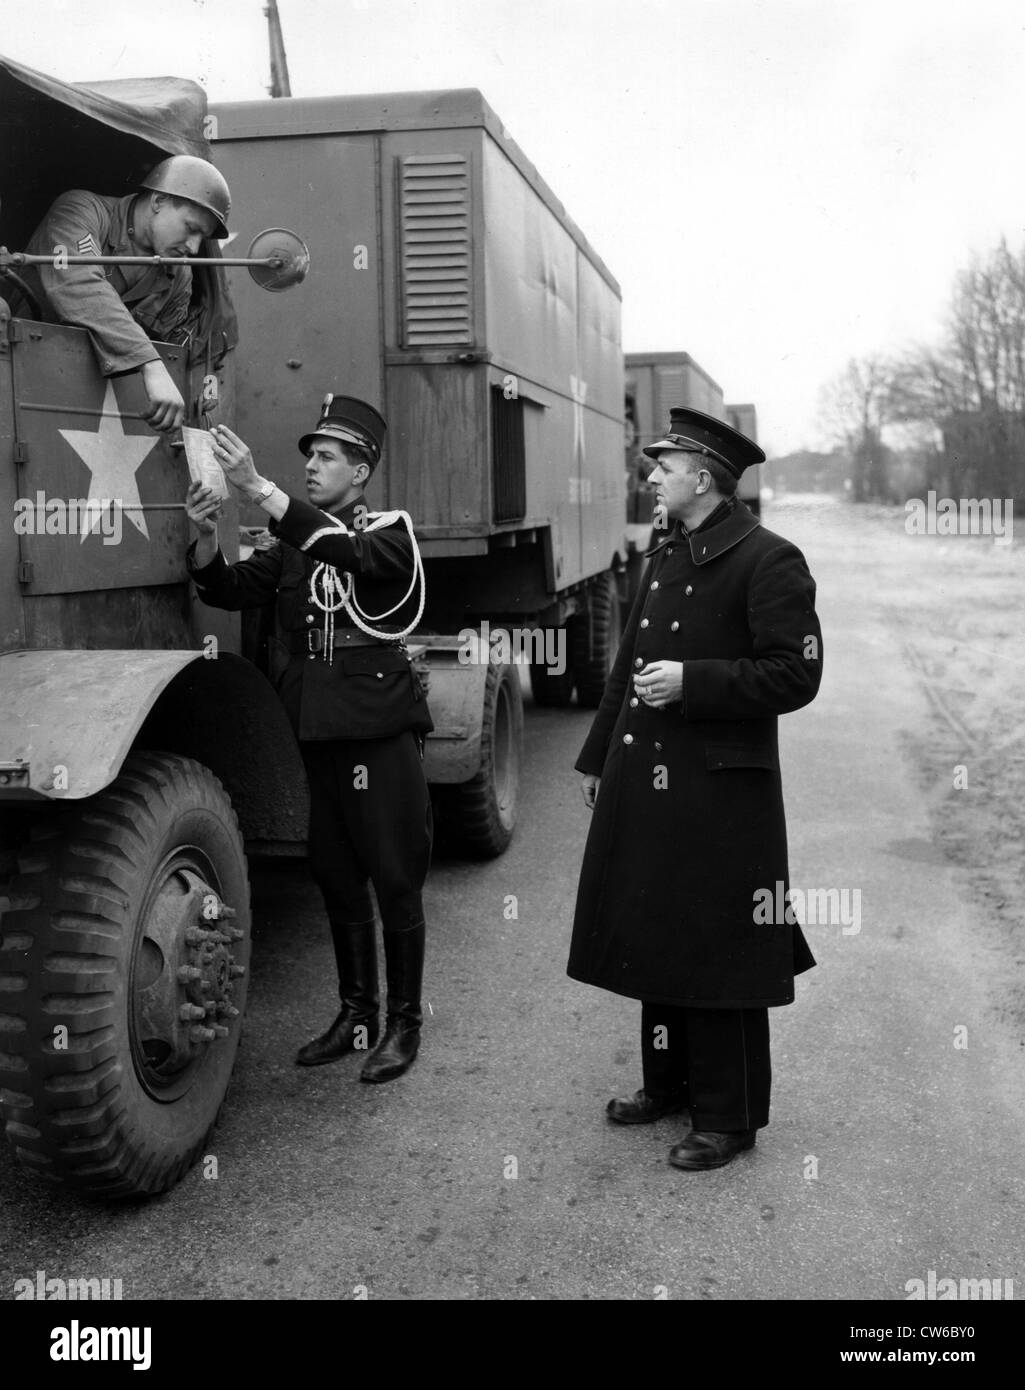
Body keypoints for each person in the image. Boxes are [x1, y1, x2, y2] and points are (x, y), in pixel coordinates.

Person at [567, 406, 823, 1170]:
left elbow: (796, 674)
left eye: (663, 467)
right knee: (658, 926)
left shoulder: (767, 558)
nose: (650, 478)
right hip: (649, 781)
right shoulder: (666, 554)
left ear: (703, 478)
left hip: (721, 794)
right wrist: (597, 759)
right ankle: (669, 1084)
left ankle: (729, 1118)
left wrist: (694, 682)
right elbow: (626, 668)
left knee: (720, 944)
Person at [184, 394, 434, 1083]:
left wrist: (256, 487)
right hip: (318, 730)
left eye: (326, 457)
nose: (312, 467)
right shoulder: (295, 543)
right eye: (310, 457)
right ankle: (356, 1015)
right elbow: (230, 589)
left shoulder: (387, 532)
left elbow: (344, 551)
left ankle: (404, 1024)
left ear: (361, 471)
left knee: (394, 877)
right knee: (334, 873)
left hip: (377, 731)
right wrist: (205, 539)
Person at [9, 155, 232, 432]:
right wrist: (150, 364)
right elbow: (79, 283)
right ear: (159, 201)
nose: (194, 247)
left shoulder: (179, 276)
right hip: (24, 383)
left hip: (97, 410)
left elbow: (171, 347)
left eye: (202, 237)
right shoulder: (81, 210)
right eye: (191, 228)